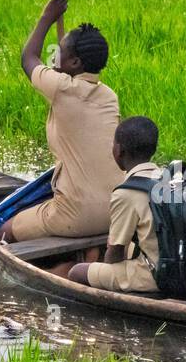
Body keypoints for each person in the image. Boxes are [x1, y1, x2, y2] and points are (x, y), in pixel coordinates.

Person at [2, 0, 124, 243]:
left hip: (75, 216)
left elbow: (29, 58)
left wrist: (48, 17)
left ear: (76, 63)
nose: (55, 53)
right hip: (117, 210)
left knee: (2, 230)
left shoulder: (60, 88)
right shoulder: (109, 96)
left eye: (61, 51)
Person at [68, 117, 161, 292]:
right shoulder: (166, 178)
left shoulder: (126, 192)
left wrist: (105, 272)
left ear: (118, 150)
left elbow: (115, 251)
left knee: (77, 272)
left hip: (155, 276)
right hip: (178, 268)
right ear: (153, 149)